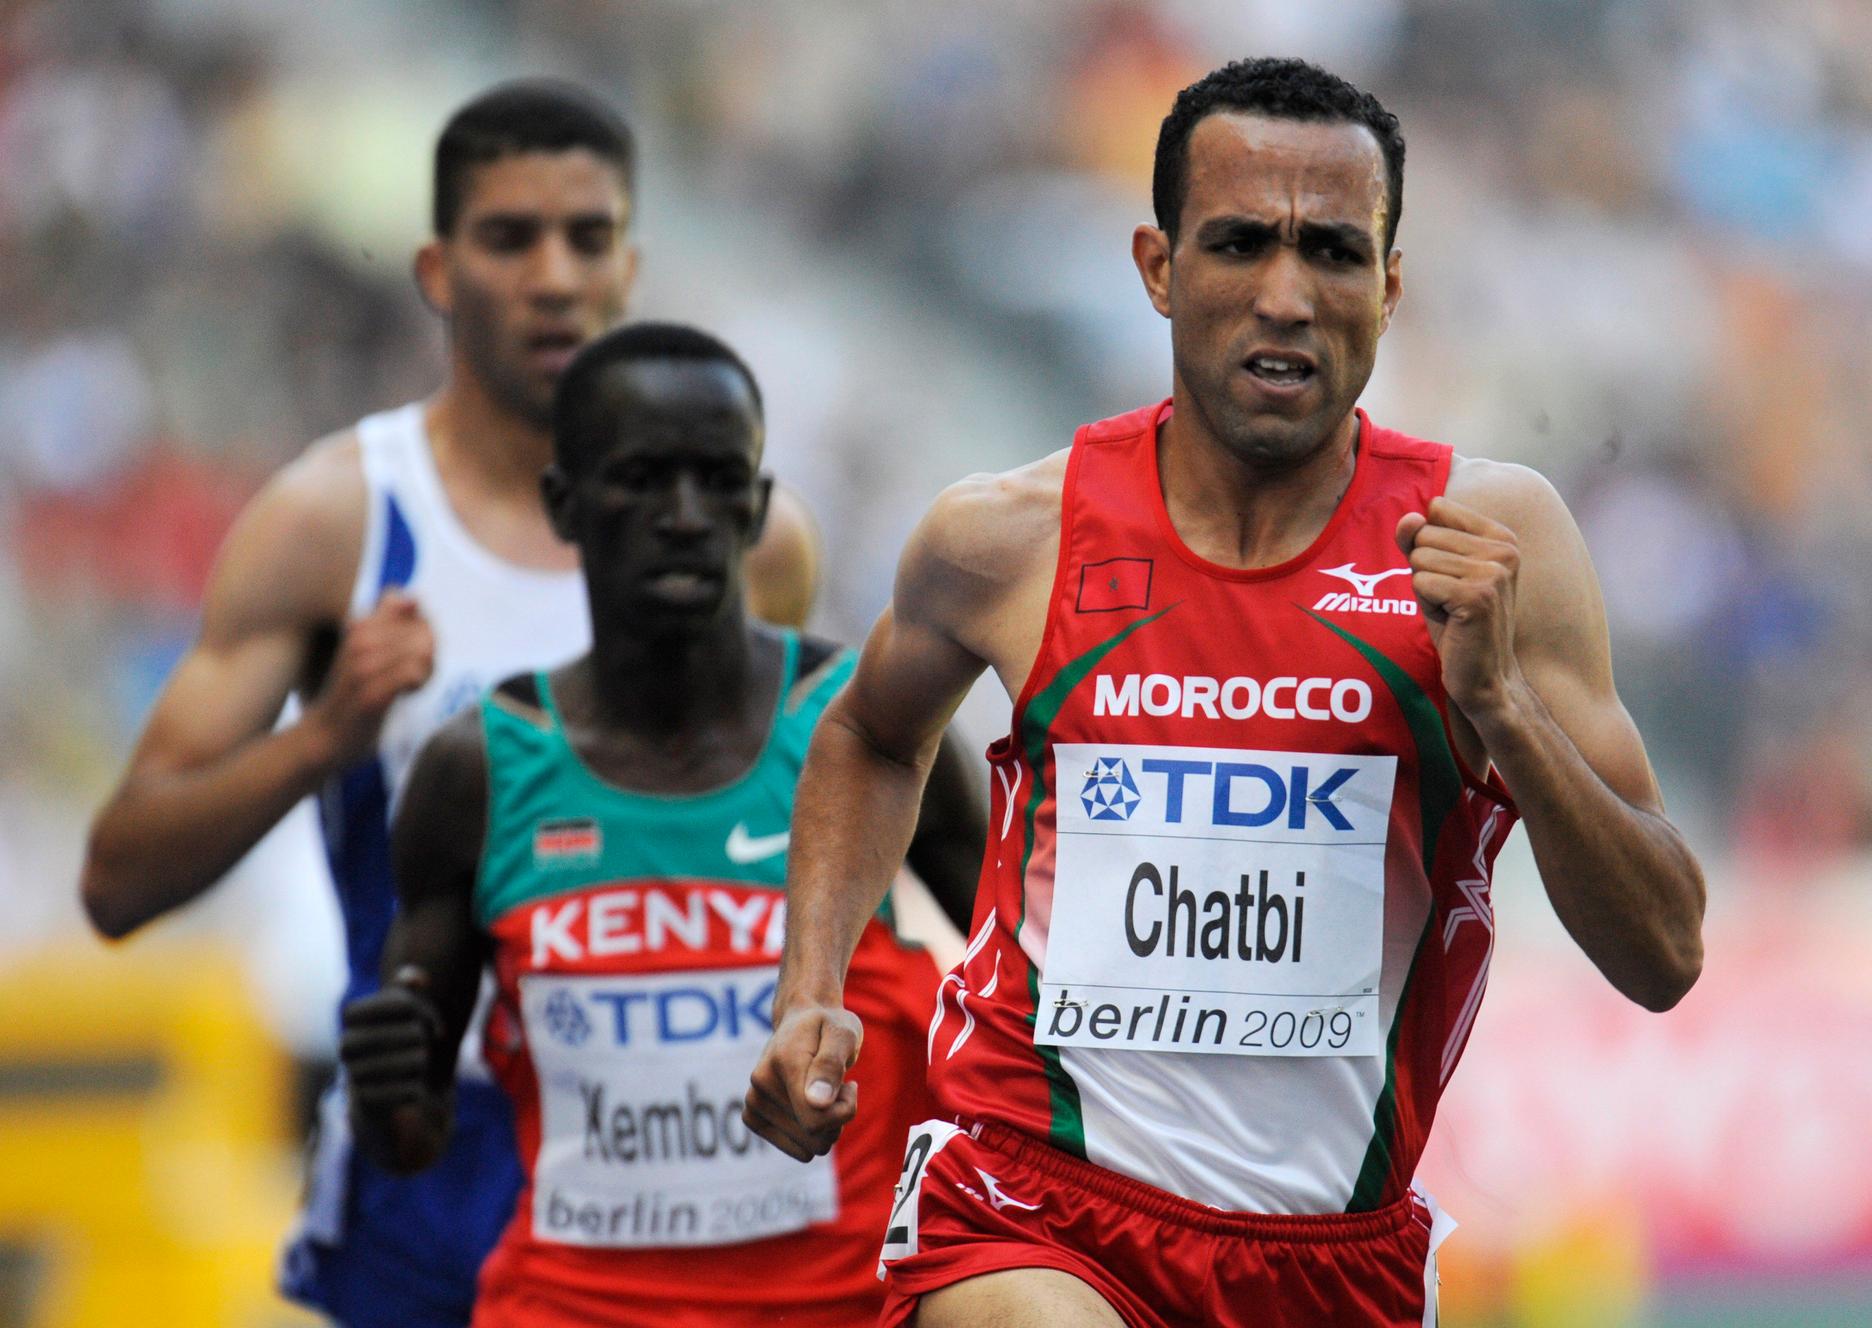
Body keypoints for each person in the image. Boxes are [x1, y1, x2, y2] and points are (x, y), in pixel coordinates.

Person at [744, 55, 1707, 1328]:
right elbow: (871, 732)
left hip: (1328, 1258)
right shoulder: (1009, 537)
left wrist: (1505, 714)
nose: (1287, 295)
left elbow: (1664, 953)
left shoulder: (1491, 543)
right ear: (1158, 268)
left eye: (1334, 253)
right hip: (1031, 1203)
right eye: (1241, 243)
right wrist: (810, 987)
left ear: (1392, 286)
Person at [77, 82, 822, 1328]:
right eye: (508, 236)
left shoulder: (756, 536)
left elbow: (821, 827)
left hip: (694, 1147)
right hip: (436, 1147)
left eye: (588, 238)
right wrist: (326, 738)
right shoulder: (341, 522)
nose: (552, 274)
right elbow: (115, 879)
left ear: (631, 262)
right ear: (434, 265)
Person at [337, 322, 982, 1328]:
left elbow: (1042, 1004)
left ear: (757, 505)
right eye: (642, 478)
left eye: (718, 479)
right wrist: (383, 1088)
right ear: (565, 502)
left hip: (849, 1307)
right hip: (570, 1306)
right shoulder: (480, 771)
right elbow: (412, 1132)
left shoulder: (870, 730)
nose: (685, 515)